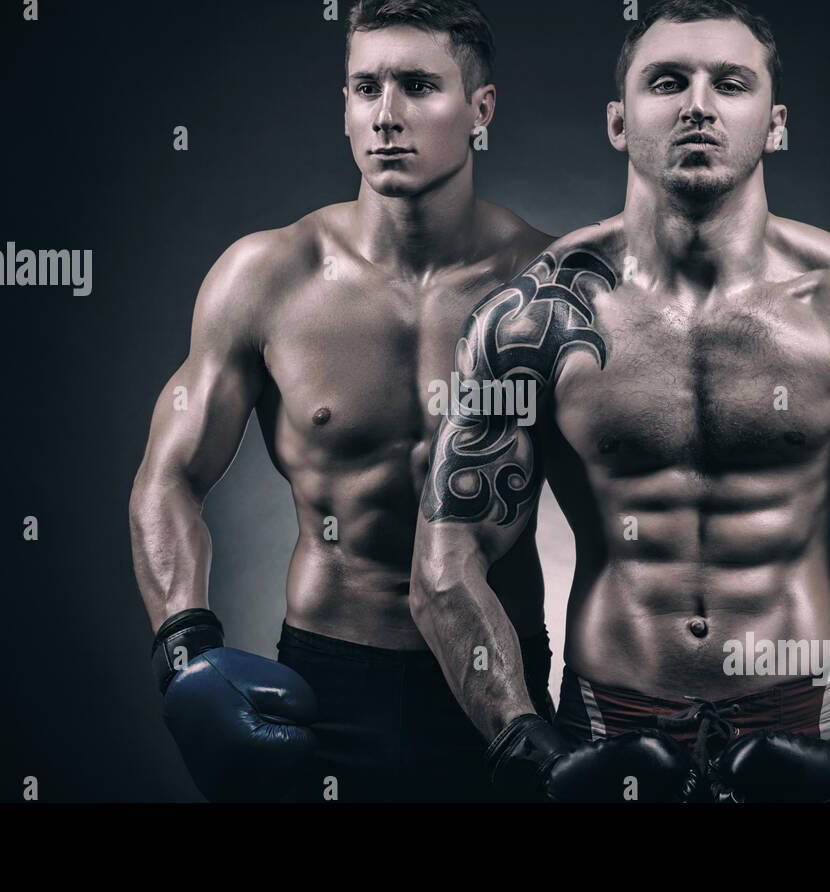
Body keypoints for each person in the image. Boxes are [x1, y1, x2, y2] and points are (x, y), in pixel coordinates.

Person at [410, 0, 830, 802]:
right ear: (619, 121)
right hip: (604, 722)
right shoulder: (534, 320)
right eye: (667, 81)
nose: (698, 104)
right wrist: (521, 740)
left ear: (775, 121)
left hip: (805, 718)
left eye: (730, 82)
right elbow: (445, 563)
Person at [129, 0, 556, 803]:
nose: (387, 116)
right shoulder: (266, 277)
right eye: (366, 88)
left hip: (504, 692)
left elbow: (627, 506)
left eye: (420, 86)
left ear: (480, 110)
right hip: (327, 686)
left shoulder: (546, 290)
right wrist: (185, 652)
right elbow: (169, 475)